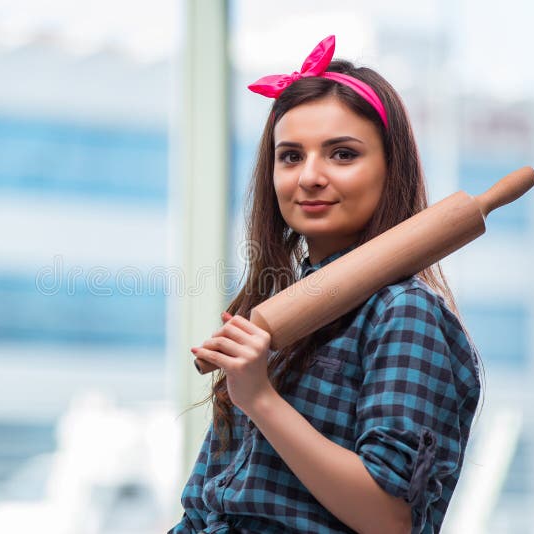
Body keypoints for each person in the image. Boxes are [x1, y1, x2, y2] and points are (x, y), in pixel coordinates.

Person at [168, 35, 482, 534]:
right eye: (290, 156)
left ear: (389, 167)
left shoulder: (404, 313)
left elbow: (388, 517)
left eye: (341, 154)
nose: (309, 176)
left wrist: (260, 398)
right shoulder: (274, 315)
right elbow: (205, 506)